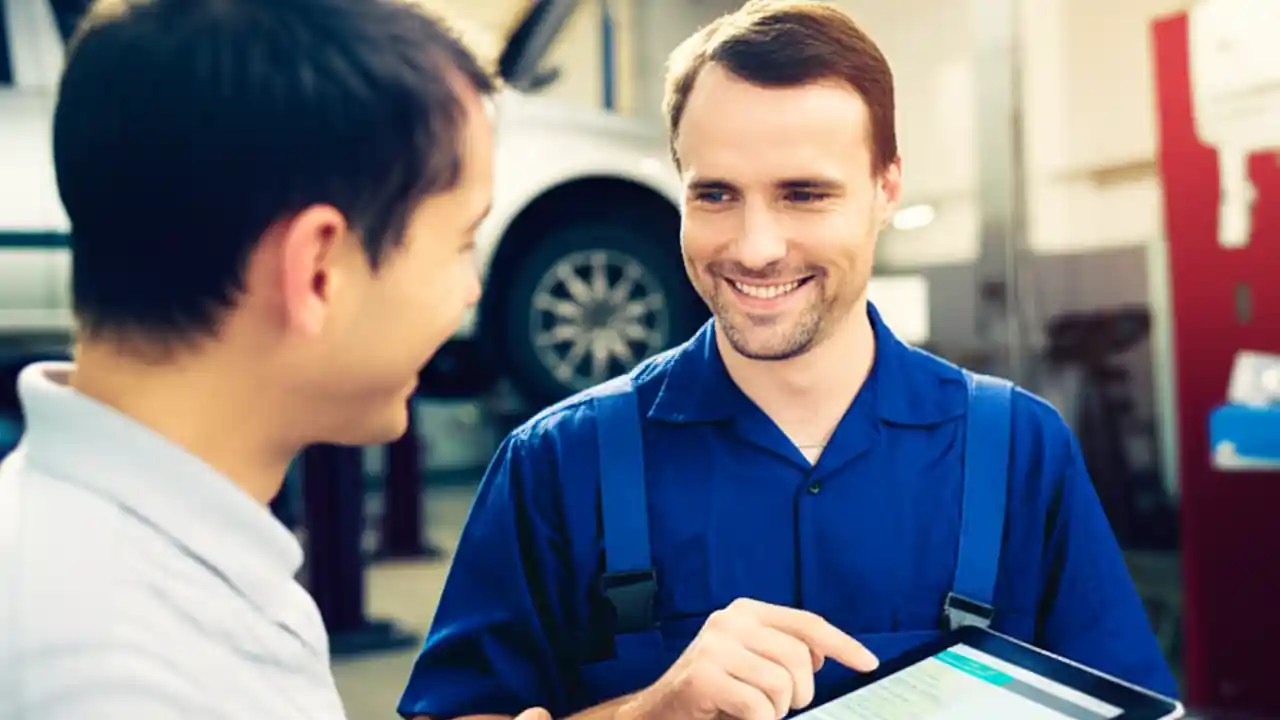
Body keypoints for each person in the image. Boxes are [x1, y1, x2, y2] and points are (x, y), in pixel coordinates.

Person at [396, 2, 1179, 719]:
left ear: (885, 188)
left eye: (804, 194)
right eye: (716, 195)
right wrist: (654, 710)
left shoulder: (1016, 451)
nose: (756, 247)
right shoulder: (556, 464)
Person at [0, 1, 550, 718]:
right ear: (319, 270)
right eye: (460, 242)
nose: (471, 290)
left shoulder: (90, 560)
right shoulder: (113, 680)